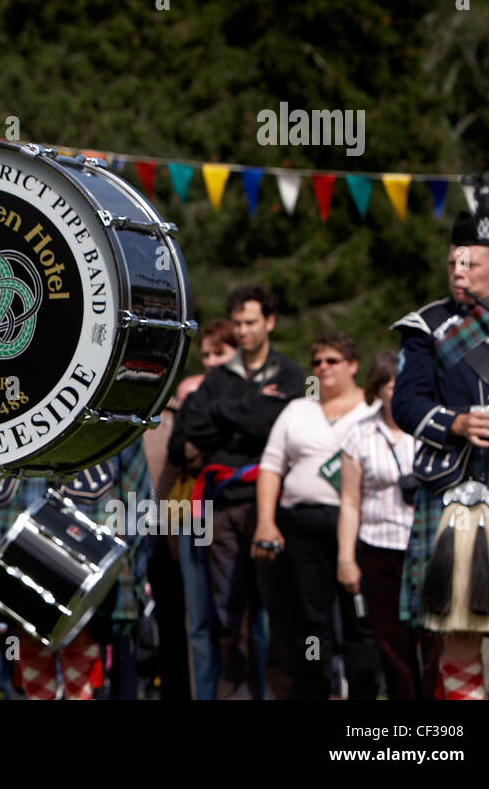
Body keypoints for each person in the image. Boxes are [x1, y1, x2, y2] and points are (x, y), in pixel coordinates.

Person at [392, 200, 489, 699]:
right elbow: (406, 403)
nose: (458, 274)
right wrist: (458, 421)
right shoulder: (428, 326)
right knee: (458, 634)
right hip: (455, 492)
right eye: (452, 263)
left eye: (471, 264)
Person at [172, 285, 305, 698]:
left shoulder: (290, 374)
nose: (243, 331)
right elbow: (193, 428)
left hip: (273, 507)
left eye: (251, 322)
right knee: (230, 612)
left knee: (276, 613)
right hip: (224, 507)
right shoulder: (217, 379)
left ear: (270, 321)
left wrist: (226, 413)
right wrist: (249, 408)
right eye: (238, 323)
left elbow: (280, 423)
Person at [254, 332, 378, 699]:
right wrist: (265, 520)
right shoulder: (298, 410)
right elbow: (271, 466)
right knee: (311, 621)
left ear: (353, 365)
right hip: (302, 527)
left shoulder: (371, 411)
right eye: (318, 362)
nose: (323, 368)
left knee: (360, 620)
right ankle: (315, 690)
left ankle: (364, 692)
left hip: (359, 528)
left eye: (332, 360)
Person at [0, 442, 149, 699]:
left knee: (80, 627)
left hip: (87, 503)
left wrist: (128, 540)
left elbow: (137, 485)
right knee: (27, 623)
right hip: (21, 494)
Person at [337, 350, 443, 699]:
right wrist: (346, 557)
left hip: (429, 546)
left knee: (435, 640)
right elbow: (350, 502)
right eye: (390, 384)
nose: (397, 390)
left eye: (404, 383)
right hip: (379, 547)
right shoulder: (358, 434)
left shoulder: (434, 431)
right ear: (377, 388)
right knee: (391, 643)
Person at [159, 317, 238, 699]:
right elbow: (179, 450)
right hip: (194, 514)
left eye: (218, 353)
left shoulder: (247, 394)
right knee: (199, 620)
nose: (209, 361)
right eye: (205, 354)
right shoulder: (195, 401)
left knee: (236, 616)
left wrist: (205, 440)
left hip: (236, 511)